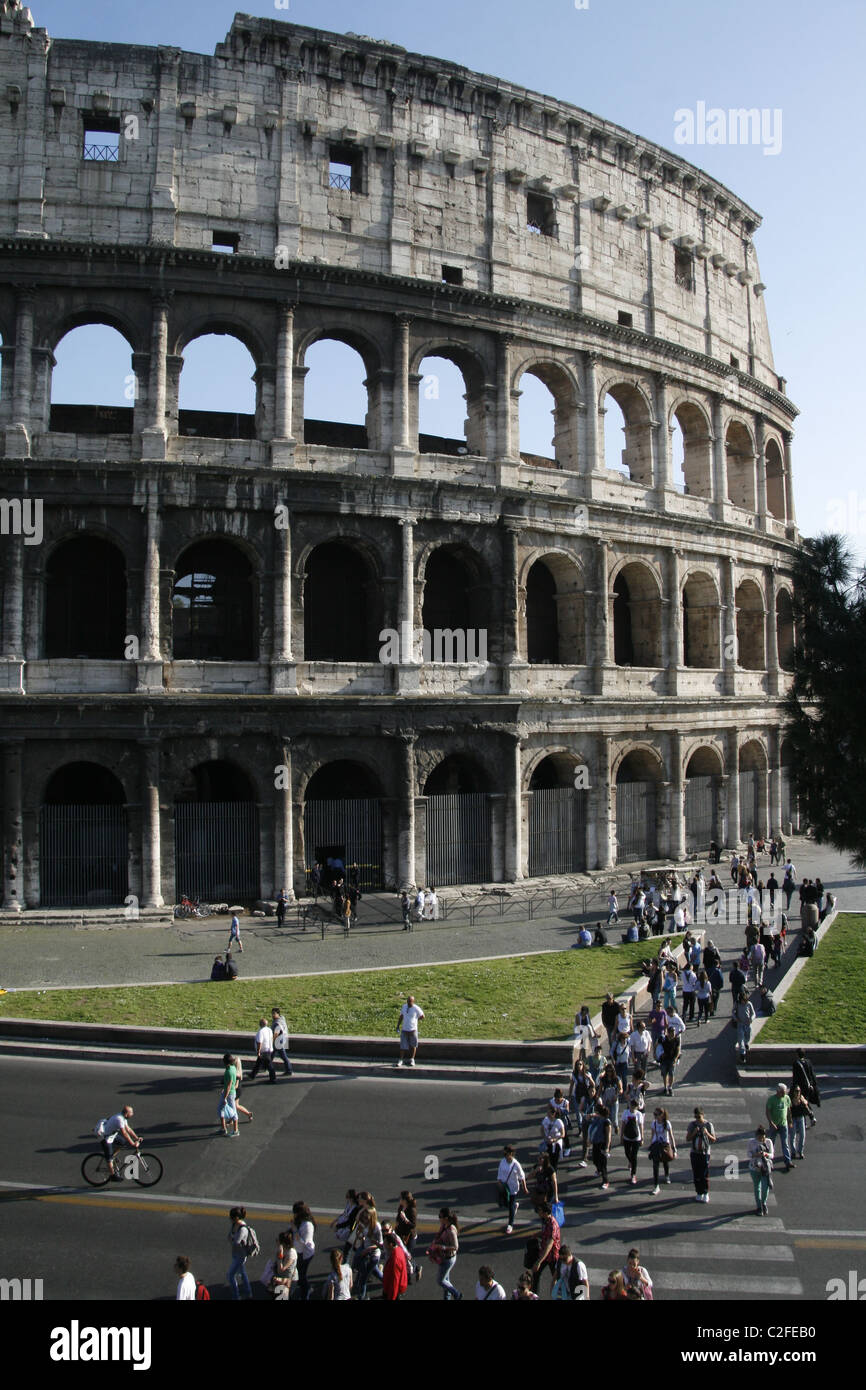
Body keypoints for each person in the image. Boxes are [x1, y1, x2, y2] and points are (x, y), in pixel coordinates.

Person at [95, 1104, 141, 1178]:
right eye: (131, 1112)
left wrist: (136, 1138)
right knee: (109, 1158)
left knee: (122, 1142)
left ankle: (112, 1156)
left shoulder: (123, 1118)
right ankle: (112, 1175)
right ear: (126, 1114)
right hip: (105, 1138)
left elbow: (128, 1129)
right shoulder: (119, 1119)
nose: (133, 1114)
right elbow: (125, 1133)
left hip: (112, 1135)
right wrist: (132, 1143)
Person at [351, 1203, 383, 1301]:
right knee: (374, 1271)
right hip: (365, 1249)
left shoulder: (377, 1227)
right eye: (364, 1217)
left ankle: (361, 1297)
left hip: (373, 1254)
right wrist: (360, 1236)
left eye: (366, 1217)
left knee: (363, 1277)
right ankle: (387, 1281)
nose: (364, 1219)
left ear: (372, 1217)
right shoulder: (363, 1223)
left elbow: (381, 1244)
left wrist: (369, 1248)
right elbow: (361, 1236)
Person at [685, 1107, 716, 1203]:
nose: (697, 1119)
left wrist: (707, 1133)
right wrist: (694, 1132)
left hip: (705, 1152)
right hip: (694, 1152)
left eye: (699, 1117)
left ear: (703, 1115)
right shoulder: (692, 1125)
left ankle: (705, 1192)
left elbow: (714, 1139)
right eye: (696, 1117)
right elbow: (688, 1139)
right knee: (696, 1173)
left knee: (704, 1174)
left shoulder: (708, 1125)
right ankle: (699, 1192)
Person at [430, 1208, 461, 1300]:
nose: (439, 1218)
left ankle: (457, 1293)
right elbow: (439, 1234)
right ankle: (447, 1298)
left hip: (449, 1258)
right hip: (444, 1256)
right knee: (446, 1280)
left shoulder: (451, 1230)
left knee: (440, 1280)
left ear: (446, 1218)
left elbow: (456, 1247)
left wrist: (441, 1247)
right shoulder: (444, 1225)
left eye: (440, 1216)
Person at [530, 1201, 561, 1293]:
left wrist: (539, 1261)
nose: (538, 1212)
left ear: (546, 1212)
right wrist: (537, 1234)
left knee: (556, 1278)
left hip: (552, 1257)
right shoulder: (545, 1220)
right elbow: (545, 1232)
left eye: (540, 1210)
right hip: (544, 1254)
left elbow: (549, 1245)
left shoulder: (552, 1225)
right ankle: (535, 1296)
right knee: (535, 1275)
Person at [498, 1144, 528, 1234]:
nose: (506, 1156)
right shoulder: (502, 1162)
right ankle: (514, 1205)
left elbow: (522, 1177)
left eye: (507, 1154)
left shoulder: (516, 1164)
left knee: (510, 1205)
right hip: (504, 1187)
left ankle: (510, 1224)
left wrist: (525, 1188)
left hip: (513, 1187)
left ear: (511, 1153)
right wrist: (499, 1182)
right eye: (505, 1154)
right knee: (505, 1203)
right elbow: (499, 1173)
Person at [227, 1206, 256, 1301]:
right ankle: (249, 1292)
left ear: (236, 1218)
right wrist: (232, 1240)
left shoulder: (242, 1229)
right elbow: (230, 1238)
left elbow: (236, 1242)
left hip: (240, 1256)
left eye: (231, 1217)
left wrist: (232, 1240)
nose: (229, 1219)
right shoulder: (234, 1225)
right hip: (235, 1254)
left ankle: (236, 1296)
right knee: (242, 1273)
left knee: (230, 1275)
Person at [648, 1105, 677, 1194]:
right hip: (656, 1145)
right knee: (655, 1165)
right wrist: (651, 1146)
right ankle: (656, 1186)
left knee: (665, 1161)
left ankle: (667, 1175)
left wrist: (674, 1148)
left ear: (662, 1115)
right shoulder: (654, 1123)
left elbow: (671, 1136)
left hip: (665, 1144)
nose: (655, 1116)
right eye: (654, 1114)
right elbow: (652, 1135)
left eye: (656, 1114)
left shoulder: (667, 1123)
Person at [765, 1084, 793, 1172]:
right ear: (778, 1091)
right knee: (771, 1143)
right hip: (774, 1125)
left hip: (783, 1124)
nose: (784, 1094)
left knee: (785, 1143)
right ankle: (769, 1162)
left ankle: (788, 1161)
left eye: (785, 1092)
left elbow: (788, 1110)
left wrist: (790, 1121)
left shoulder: (787, 1098)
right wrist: (771, 1122)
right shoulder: (771, 1100)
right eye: (782, 1092)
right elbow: (768, 1112)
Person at [747, 1126, 774, 1216]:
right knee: (757, 1187)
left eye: (763, 1137)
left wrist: (765, 1154)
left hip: (765, 1168)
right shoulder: (751, 1142)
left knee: (765, 1187)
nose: (761, 1139)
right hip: (754, 1168)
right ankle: (759, 1206)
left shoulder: (768, 1142)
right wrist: (756, 1155)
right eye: (759, 1137)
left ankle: (764, 1203)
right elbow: (749, 1154)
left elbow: (772, 1155)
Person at [292, 1201, 316, 1299]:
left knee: (301, 1275)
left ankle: (305, 1293)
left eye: (295, 1212)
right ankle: (305, 1288)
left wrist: (295, 1230)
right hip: (299, 1252)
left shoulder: (307, 1225)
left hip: (305, 1254)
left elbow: (304, 1241)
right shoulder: (300, 1221)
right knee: (299, 1274)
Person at [395, 1191, 421, 1282]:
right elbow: (398, 1218)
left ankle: (409, 1276)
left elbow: (413, 1225)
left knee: (407, 1256)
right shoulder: (401, 1207)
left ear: (405, 1200)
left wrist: (405, 1219)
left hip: (409, 1236)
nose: (399, 1200)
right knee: (405, 1256)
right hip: (401, 1234)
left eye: (401, 1198)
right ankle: (415, 1269)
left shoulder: (412, 1210)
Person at [588, 1103, 612, 1191]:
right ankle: (599, 1170)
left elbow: (608, 1135)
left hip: (603, 1144)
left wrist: (607, 1147)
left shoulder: (606, 1122)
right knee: (595, 1159)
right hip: (596, 1142)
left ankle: (605, 1181)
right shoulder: (598, 1118)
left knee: (603, 1163)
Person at [620, 1098, 644, 1185]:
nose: (633, 1107)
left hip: (636, 1138)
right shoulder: (625, 1112)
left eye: (634, 1106)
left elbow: (641, 1126)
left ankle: (633, 1174)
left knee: (634, 1156)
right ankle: (630, 1162)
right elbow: (623, 1124)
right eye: (632, 1105)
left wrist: (642, 1137)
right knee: (627, 1152)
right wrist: (621, 1136)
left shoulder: (639, 1114)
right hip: (627, 1136)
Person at [396, 994, 425, 1068]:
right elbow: (401, 1016)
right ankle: (401, 1060)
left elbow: (422, 1016)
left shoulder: (416, 1008)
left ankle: (412, 1059)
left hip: (413, 1029)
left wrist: (416, 1020)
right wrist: (398, 1025)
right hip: (404, 1029)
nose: (409, 1003)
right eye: (408, 1001)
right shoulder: (404, 1006)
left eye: (410, 1002)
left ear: (413, 1002)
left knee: (413, 1045)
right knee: (402, 1045)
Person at [269, 1230, 298, 1299]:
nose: (276, 1241)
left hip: (287, 1281)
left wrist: (279, 1256)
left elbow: (281, 1270)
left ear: (283, 1243)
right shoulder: (283, 1250)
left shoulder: (291, 1253)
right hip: (280, 1279)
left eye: (278, 1240)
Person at [789, 1085, 814, 1159]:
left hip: (800, 1118)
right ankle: (793, 1152)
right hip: (793, 1118)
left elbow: (807, 1108)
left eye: (799, 1091)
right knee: (793, 1135)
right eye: (796, 1091)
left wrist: (811, 1116)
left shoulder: (801, 1098)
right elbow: (787, 1111)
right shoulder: (790, 1099)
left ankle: (800, 1151)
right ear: (793, 1092)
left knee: (802, 1135)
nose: (798, 1092)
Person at [382, 1231, 409, 1300]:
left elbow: (395, 1281)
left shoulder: (395, 1259)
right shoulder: (398, 1250)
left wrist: (391, 1297)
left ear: (390, 1244)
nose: (383, 1245)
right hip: (396, 1287)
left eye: (385, 1243)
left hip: (393, 1290)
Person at [732, 989, 756, 1064]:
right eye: (741, 1001)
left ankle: (746, 1043)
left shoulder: (749, 1004)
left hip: (747, 1024)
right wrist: (736, 1018)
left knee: (748, 1036)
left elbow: (753, 1013)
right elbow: (733, 1011)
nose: (742, 1002)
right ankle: (742, 1054)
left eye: (743, 1001)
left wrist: (751, 1019)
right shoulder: (737, 1004)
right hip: (740, 1024)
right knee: (740, 1039)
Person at [250, 1016, 276, 1083]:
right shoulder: (269, 1030)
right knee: (258, 1063)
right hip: (269, 1049)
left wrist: (258, 1051)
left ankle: (273, 1079)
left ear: (260, 1024)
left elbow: (259, 1042)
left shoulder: (261, 1032)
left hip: (264, 1051)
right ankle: (252, 1075)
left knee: (269, 1065)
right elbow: (272, 1038)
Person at [219, 1053, 240, 1137]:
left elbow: (229, 1085)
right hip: (230, 1093)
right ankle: (224, 1129)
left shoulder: (228, 1071)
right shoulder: (233, 1068)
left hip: (229, 1094)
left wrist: (225, 1097)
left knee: (233, 1112)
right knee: (221, 1110)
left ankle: (235, 1131)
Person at [541, 1103, 566, 1171]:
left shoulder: (558, 1122)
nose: (548, 1114)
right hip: (548, 1141)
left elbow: (563, 1134)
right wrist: (545, 1138)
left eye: (549, 1113)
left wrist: (554, 1139)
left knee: (554, 1159)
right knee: (547, 1159)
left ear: (553, 1114)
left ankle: (553, 1172)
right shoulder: (545, 1120)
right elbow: (542, 1130)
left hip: (556, 1142)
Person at [658, 1026, 680, 1097]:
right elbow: (657, 1045)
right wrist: (658, 1054)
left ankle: (670, 1087)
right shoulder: (663, 1039)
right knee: (664, 1074)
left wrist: (676, 1059)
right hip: (664, 1059)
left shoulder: (676, 1039)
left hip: (672, 1059)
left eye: (673, 1031)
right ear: (668, 1032)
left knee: (671, 1074)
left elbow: (678, 1050)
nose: (673, 1033)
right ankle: (665, 1087)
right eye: (671, 1032)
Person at [271, 1007, 293, 1077]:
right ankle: (266, 1066)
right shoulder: (282, 1018)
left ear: (278, 1014)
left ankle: (289, 1070)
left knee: (283, 1056)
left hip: (278, 1041)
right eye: (272, 1013)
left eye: (274, 1013)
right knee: (271, 1055)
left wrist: (272, 1040)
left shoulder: (277, 1023)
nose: (272, 1015)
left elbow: (276, 1033)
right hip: (283, 1039)